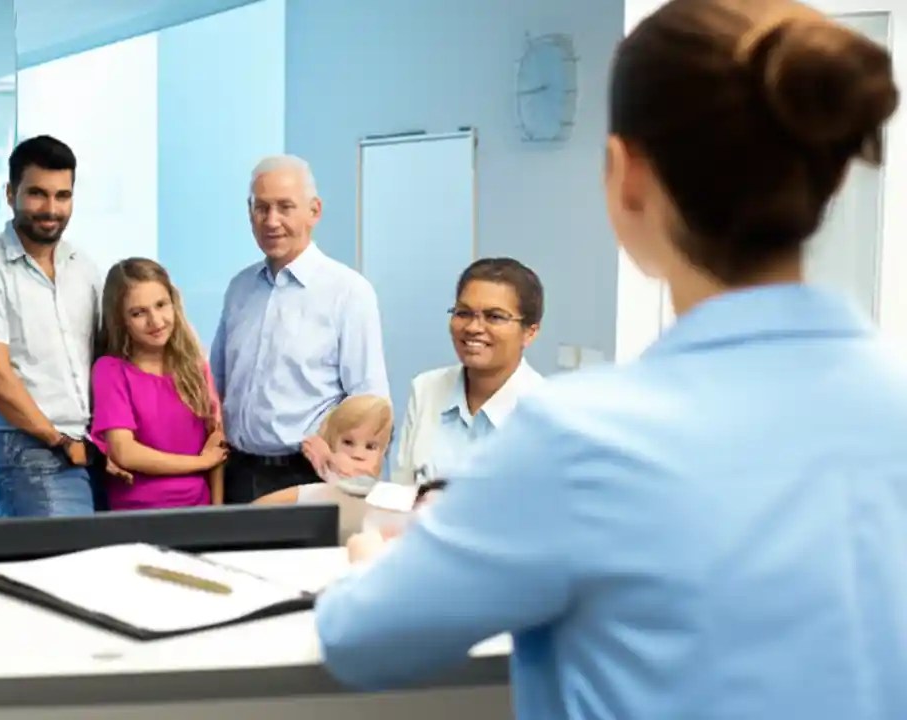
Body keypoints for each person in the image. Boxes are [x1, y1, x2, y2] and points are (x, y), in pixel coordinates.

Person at [315, 2, 907, 718]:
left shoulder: (581, 439)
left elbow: (362, 640)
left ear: (627, 176)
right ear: (828, 180)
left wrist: (368, 565)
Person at [210, 154, 389, 503]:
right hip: (237, 473)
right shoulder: (239, 289)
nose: (271, 220)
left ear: (314, 211)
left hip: (305, 474)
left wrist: (354, 475)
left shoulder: (348, 292)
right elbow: (216, 385)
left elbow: (370, 404)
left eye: (285, 207)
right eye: (261, 208)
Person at [0, 135, 101, 517]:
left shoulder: (83, 266)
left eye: (62, 195)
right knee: (61, 569)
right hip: (32, 451)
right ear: (10, 193)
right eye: (37, 194)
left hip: (95, 446)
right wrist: (59, 440)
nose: (51, 208)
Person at [389, 257, 545, 485]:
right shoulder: (426, 389)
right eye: (463, 313)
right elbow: (402, 490)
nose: (473, 328)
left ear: (529, 332)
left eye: (494, 317)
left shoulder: (547, 413)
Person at [89, 258, 227, 510]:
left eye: (161, 305)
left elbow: (217, 446)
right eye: (138, 313)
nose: (155, 321)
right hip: (139, 514)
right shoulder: (111, 371)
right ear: (121, 320)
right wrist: (200, 463)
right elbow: (125, 452)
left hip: (199, 510)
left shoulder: (196, 367)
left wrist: (216, 511)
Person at [254, 394, 393, 541]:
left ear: (383, 452)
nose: (358, 454)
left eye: (370, 446)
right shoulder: (317, 493)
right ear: (332, 444)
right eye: (348, 442)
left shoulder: (392, 500)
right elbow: (253, 511)